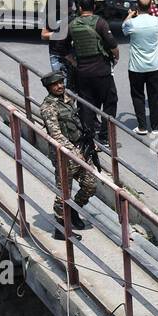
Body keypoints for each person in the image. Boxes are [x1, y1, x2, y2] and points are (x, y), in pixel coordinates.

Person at [39, 70, 98, 241]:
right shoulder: (48, 107)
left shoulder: (66, 99)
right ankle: (60, 228)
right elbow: (55, 133)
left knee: (90, 185)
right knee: (63, 192)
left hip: (80, 149)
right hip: (64, 155)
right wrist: (73, 152)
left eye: (61, 83)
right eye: (55, 84)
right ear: (49, 87)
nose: (60, 86)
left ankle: (72, 211)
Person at [67, 0, 120, 143]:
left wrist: (75, 62)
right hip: (102, 71)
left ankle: (88, 137)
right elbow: (112, 44)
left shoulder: (72, 24)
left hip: (82, 72)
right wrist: (116, 58)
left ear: (80, 8)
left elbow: (62, 48)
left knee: (86, 105)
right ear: (94, 7)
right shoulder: (100, 23)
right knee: (110, 101)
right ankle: (105, 136)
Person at [123, 0, 158, 135]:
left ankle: (142, 127)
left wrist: (130, 15)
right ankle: (156, 126)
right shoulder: (157, 21)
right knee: (155, 96)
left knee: (138, 96)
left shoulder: (131, 23)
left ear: (137, 7)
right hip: (155, 65)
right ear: (151, 5)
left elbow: (123, 28)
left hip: (136, 67)